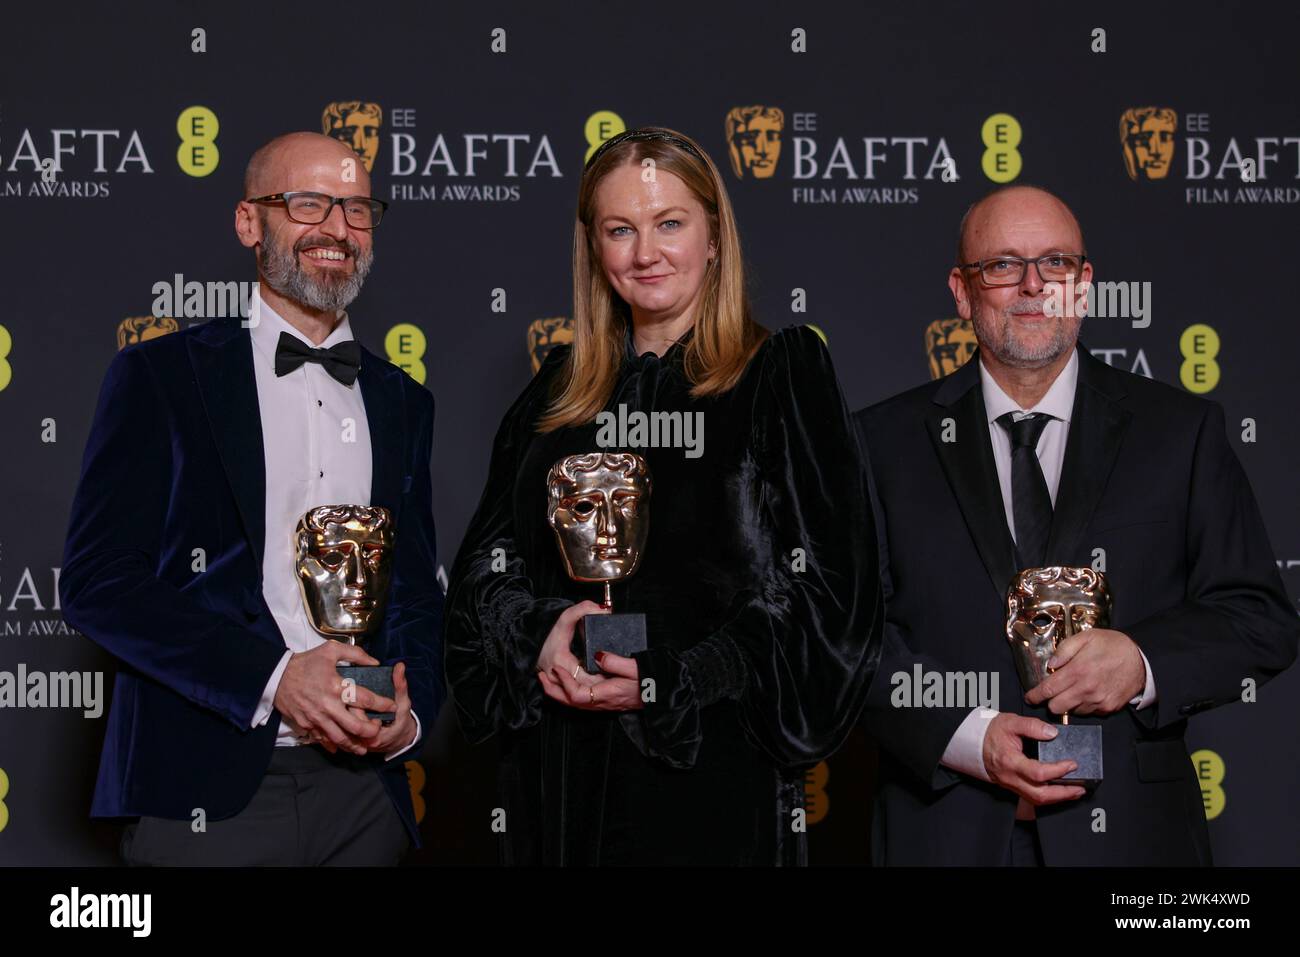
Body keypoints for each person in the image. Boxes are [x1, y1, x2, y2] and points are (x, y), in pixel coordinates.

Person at [445, 127, 882, 865]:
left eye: (669, 223)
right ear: (594, 247)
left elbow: (833, 591)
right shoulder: (554, 394)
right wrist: (541, 631)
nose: (646, 252)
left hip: (711, 782)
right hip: (562, 784)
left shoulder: (779, 375)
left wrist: (676, 677)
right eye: (621, 229)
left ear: (714, 237)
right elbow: (484, 569)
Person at [857, 184, 1298, 865]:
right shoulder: (880, 443)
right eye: (1002, 265)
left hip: (1133, 840)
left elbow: (1258, 618)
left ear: (1085, 283)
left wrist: (1142, 662)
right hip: (947, 832)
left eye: (1056, 263)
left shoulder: (1180, 433)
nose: (1034, 286)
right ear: (961, 290)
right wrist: (967, 735)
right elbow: (845, 639)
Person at [59, 132, 444, 865]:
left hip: (365, 800)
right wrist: (274, 678)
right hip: (207, 786)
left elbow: (419, 595)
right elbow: (97, 581)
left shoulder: (404, 401)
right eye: (308, 204)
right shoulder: (161, 377)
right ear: (248, 222)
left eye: (358, 209)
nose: (337, 228)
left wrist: (410, 715)